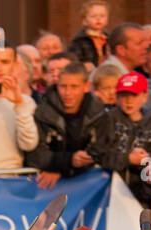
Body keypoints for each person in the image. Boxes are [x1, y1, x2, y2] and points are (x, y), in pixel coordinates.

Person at [96, 71, 151, 205]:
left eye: (134, 95)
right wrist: (128, 158)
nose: (129, 100)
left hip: (139, 192)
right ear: (117, 97)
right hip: (107, 189)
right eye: (124, 95)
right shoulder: (108, 118)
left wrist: (148, 165)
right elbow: (99, 154)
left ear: (145, 97)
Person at [29, 61, 107, 189]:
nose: (68, 93)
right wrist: (68, 161)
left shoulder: (98, 114)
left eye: (74, 87)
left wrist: (66, 169)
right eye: (63, 86)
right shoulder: (43, 113)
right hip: (47, 187)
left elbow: (102, 150)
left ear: (87, 87)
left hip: (88, 186)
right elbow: (35, 154)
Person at [70, 1, 111, 68]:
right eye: (93, 16)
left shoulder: (110, 38)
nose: (98, 19)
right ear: (84, 21)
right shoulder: (79, 41)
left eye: (102, 16)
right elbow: (74, 61)